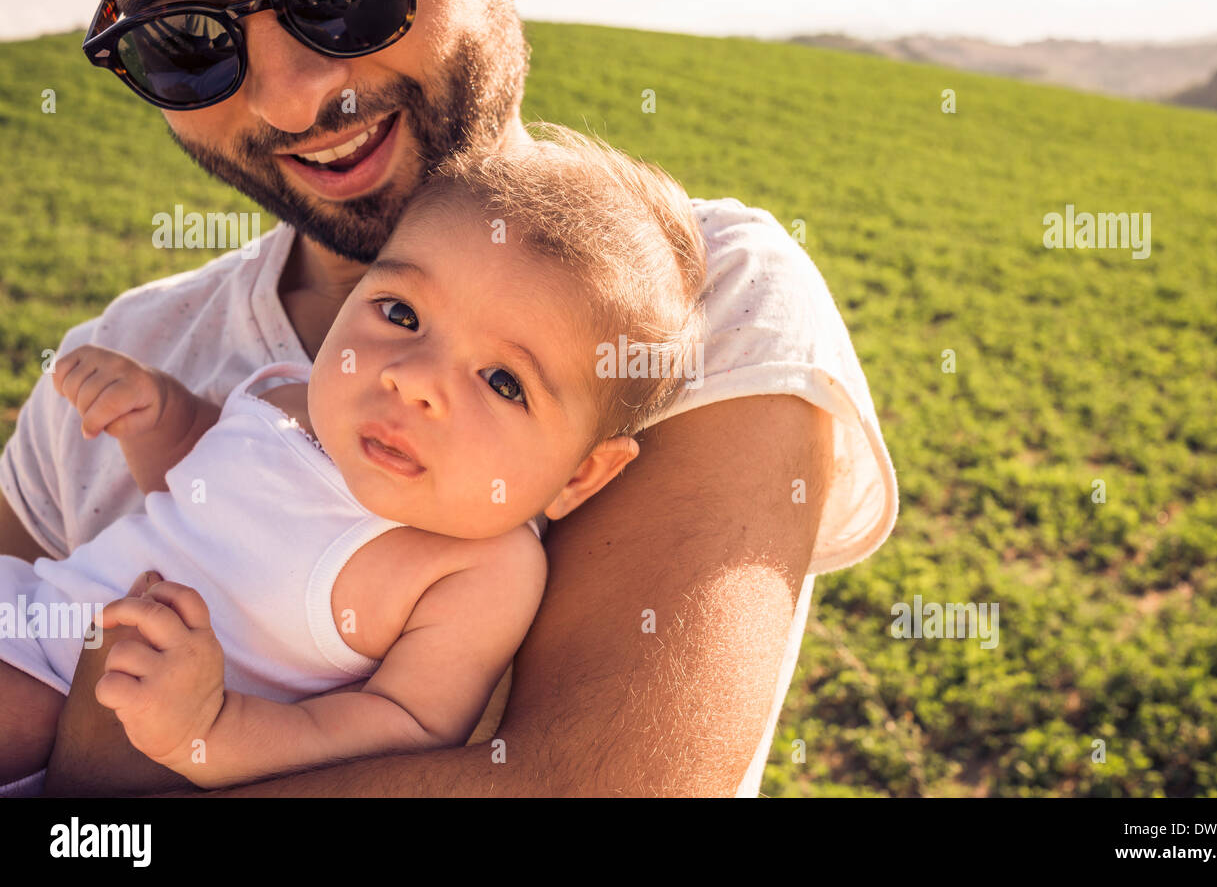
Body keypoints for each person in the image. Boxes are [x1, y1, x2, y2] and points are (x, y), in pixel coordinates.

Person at [0, 0, 897, 796]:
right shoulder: (117, 351)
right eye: (183, 38)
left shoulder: (696, 305)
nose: (290, 98)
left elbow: (603, 791)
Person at [0, 126, 707, 791]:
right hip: (39, 613)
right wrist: (157, 416)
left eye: (503, 382)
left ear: (581, 474)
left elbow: (403, 724)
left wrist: (215, 728)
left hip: (68, 697)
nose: (415, 378)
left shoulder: (479, 569)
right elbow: (199, 493)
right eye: (401, 313)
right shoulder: (290, 395)